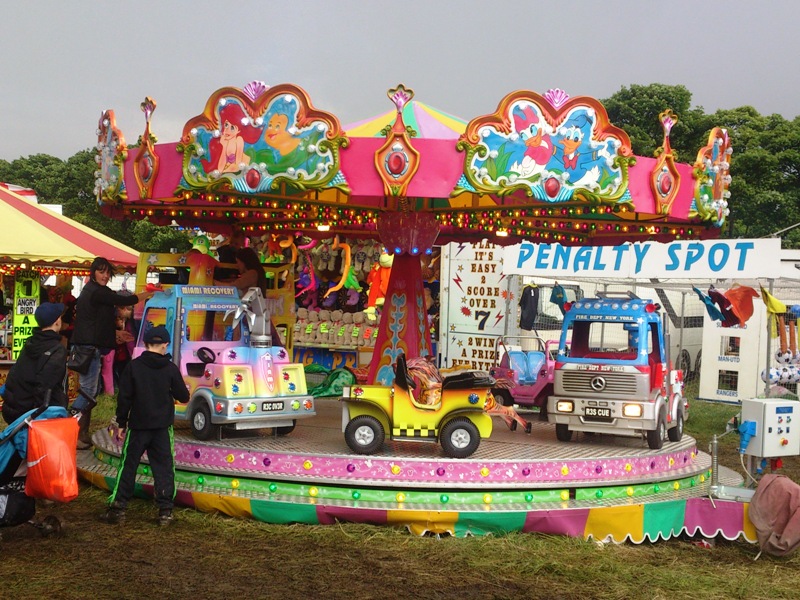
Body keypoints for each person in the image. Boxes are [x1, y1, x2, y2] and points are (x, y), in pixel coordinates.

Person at [102, 325, 189, 526]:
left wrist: (121, 423)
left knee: (128, 466)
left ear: (146, 344)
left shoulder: (134, 366)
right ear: (165, 345)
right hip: (162, 428)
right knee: (164, 467)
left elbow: (124, 398)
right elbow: (183, 396)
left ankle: (119, 509)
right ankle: (165, 511)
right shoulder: (170, 368)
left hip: (138, 426)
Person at [71, 257, 154, 449]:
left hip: (89, 346)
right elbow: (123, 300)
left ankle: (81, 434)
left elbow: (94, 322)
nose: (105, 276)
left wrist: (115, 334)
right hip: (88, 348)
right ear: (93, 272)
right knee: (88, 393)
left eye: (107, 273)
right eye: (101, 272)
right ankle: (69, 427)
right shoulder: (97, 292)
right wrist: (146, 295)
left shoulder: (94, 292)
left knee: (89, 392)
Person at [2, 302, 68, 424]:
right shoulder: (57, 349)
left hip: (11, 407)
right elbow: (45, 387)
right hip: (29, 414)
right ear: (57, 321)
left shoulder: (30, 342)